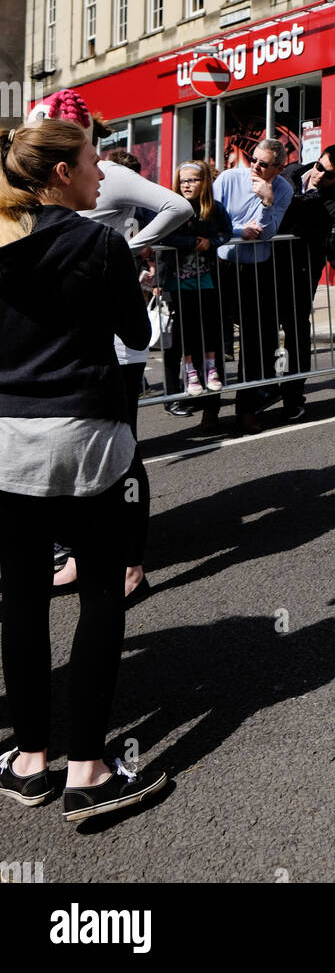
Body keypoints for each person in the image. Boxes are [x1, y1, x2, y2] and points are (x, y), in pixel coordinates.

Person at [0, 120, 167, 820]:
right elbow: (136, 335)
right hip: (86, 434)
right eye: (94, 162)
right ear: (62, 173)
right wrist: (143, 286)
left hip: (10, 437)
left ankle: (31, 758)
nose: (103, 175)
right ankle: (90, 769)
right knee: (101, 595)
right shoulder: (99, 241)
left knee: (23, 596)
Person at [27, 91, 192, 603]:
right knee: (77, 454)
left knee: (121, 455)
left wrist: (127, 246)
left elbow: (178, 205)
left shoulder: (105, 174)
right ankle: (81, 554)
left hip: (118, 339)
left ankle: (130, 564)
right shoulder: (46, 180)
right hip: (72, 334)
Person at [213, 139, 293, 435]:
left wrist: (267, 202)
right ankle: (210, 409)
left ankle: (245, 410)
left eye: (263, 164)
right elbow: (211, 219)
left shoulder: (283, 189)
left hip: (256, 267)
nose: (255, 167)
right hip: (223, 264)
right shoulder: (228, 178)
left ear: (279, 168)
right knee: (216, 340)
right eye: (253, 159)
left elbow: (269, 234)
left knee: (253, 342)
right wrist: (238, 231)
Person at [275, 145, 335, 420]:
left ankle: (293, 395)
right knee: (261, 329)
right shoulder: (292, 172)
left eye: (329, 175)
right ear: (317, 161)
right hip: (266, 264)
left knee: (296, 330)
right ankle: (263, 389)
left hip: (302, 270)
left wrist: (312, 228)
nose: (320, 176)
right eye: (320, 167)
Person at [160, 162, 232, 404]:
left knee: (211, 326)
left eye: (192, 180)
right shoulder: (173, 208)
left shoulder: (215, 208)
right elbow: (165, 235)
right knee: (187, 329)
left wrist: (211, 242)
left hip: (208, 278)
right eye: (183, 181)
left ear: (205, 183)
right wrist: (191, 242)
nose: (187, 185)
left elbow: (226, 232)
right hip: (179, 281)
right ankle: (190, 373)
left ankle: (211, 370)